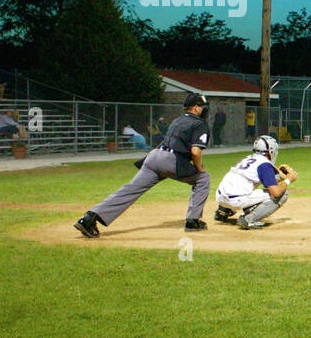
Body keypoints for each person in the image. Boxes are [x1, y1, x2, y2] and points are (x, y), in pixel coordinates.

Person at [74, 94, 212, 237]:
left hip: (153, 157)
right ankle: (192, 221)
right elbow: (195, 152)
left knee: (130, 189)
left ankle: (89, 218)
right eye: (203, 107)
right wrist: (199, 168)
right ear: (196, 108)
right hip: (170, 160)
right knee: (203, 178)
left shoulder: (178, 120)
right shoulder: (200, 124)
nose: (204, 110)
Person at [215, 134, 294, 229]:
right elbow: (276, 192)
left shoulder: (248, 159)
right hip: (235, 200)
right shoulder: (264, 165)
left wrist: (280, 175)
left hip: (220, 197)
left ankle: (223, 211)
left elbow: (263, 178)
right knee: (283, 194)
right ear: (271, 151)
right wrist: (288, 180)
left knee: (242, 184)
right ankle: (249, 220)